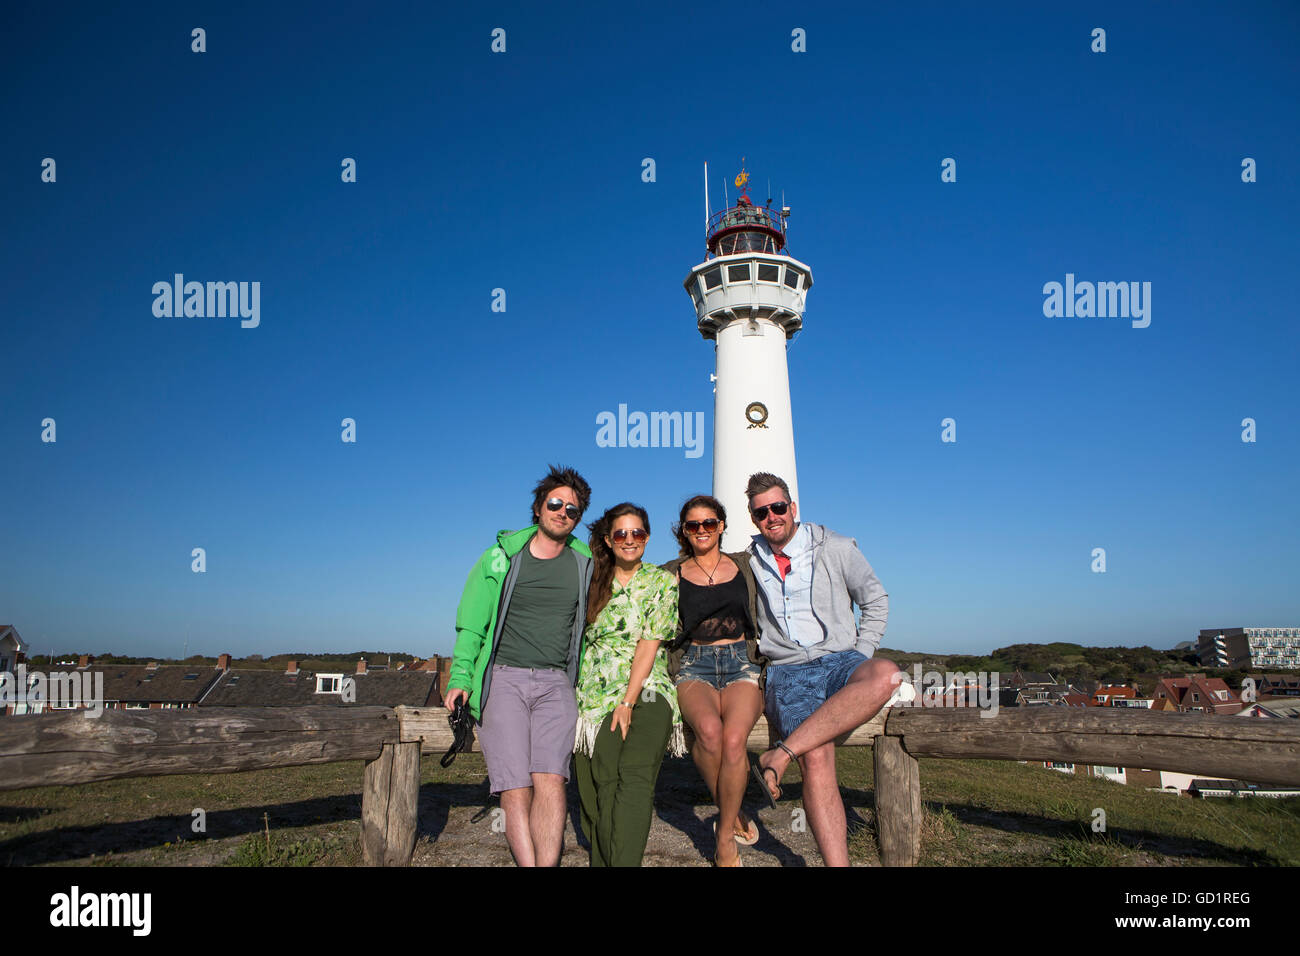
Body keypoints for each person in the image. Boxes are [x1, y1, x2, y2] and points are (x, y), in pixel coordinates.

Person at [744, 472, 901, 867]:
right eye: (762, 512)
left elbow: (876, 601)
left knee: (886, 674)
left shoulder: (836, 546)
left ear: (793, 508)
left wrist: (860, 652)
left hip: (840, 659)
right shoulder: (749, 561)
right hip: (788, 670)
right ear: (753, 517)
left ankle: (778, 757)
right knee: (817, 756)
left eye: (779, 507)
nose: (772, 517)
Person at [445, 465, 593, 867]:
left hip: (556, 684)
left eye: (573, 509)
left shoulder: (585, 562)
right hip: (504, 680)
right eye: (556, 504)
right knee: (514, 786)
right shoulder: (501, 557)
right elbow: (472, 623)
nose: (563, 512)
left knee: (552, 780)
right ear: (538, 507)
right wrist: (460, 677)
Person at [572, 502, 682, 867]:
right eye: (621, 533)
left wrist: (628, 702)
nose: (629, 540)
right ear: (609, 539)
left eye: (638, 533)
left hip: (646, 687)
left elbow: (649, 646)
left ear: (648, 539)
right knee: (599, 786)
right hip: (593, 691)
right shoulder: (591, 582)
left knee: (633, 774)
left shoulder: (661, 583)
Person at [661, 494, 766, 867]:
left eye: (709, 523)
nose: (702, 530)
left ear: (721, 525)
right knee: (708, 733)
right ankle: (732, 808)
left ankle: (724, 838)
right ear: (684, 532)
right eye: (693, 525)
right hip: (694, 665)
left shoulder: (747, 565)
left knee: (735, 740)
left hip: (742, 663)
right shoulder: (668, 573)